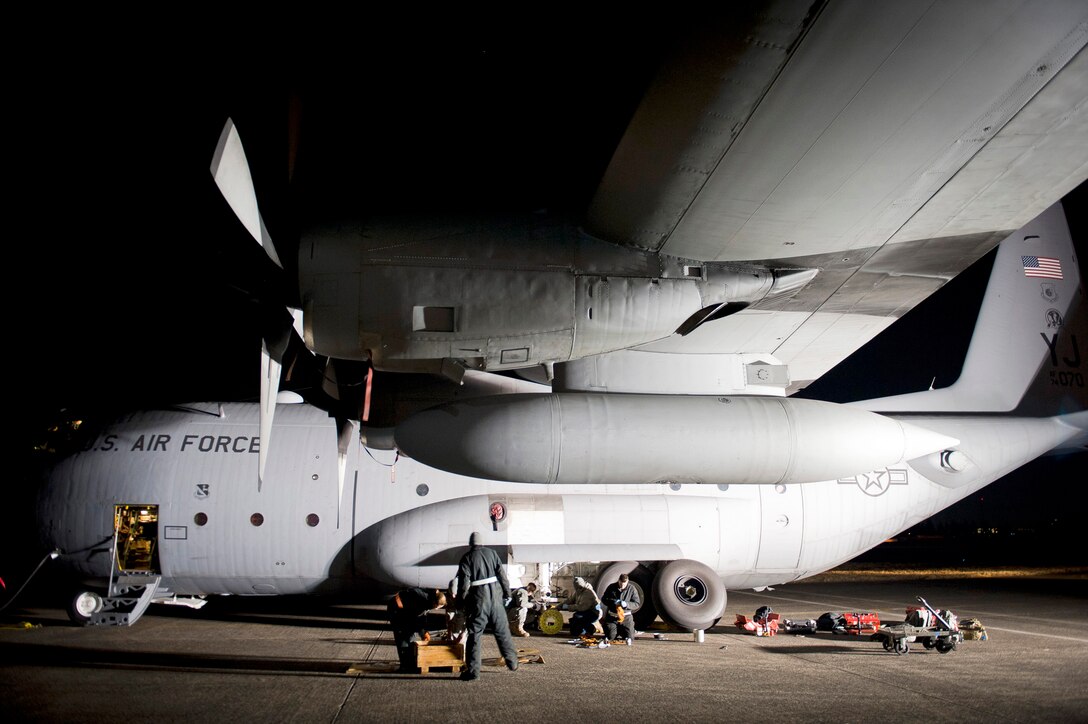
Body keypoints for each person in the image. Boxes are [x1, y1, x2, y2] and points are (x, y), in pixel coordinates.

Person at [455, 531, 520, 681]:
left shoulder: (467, 557)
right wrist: (507, 594)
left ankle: (473, 672)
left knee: (475, 635)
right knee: (502, 632)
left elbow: (464, 585)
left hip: (478, 600)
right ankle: (512, 662)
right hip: (496, 598)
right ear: (482, 542)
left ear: (470, 544)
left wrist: (460, 603)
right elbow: (502, 576)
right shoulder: (492, 553)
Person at [386, 587, 446, 672]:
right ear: (434, 603)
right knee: (404, 637)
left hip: (406, 610)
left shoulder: (430, 598)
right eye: (437, 607)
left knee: (411, 637)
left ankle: (410, 663)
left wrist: (424, 632)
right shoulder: (423, 599)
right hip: (397, 610)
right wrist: (423, 633)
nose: (436, 609)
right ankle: (405, 666)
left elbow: (420, 617)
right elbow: (418, 619)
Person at [601, 573, 641, 642]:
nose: (622, 586)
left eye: (624, 584)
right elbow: (604, 599)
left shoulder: (632, 589)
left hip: (626, 617)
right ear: (618, 580)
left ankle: (625, 630)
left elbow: (637, 604)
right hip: (612, 617)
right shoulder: (611, 587)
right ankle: (614, 631)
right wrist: (613, 602)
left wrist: (626, 604)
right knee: (610, 637)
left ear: (627, 581)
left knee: (630, 638)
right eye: (621, 583)